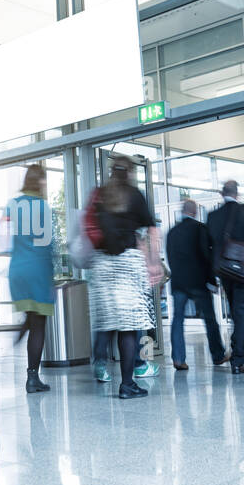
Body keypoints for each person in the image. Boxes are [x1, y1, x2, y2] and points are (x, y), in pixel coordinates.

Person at [87, 156, 162, 399]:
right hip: (128, 263)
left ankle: (100, 362)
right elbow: (151, 229)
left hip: (102, 266)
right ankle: (127, 384)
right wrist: (153, 260)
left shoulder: (100, 194)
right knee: (129, 330)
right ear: (129, 172)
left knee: (109, 324)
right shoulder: (134, 194)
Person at [1, 165, 55, 392]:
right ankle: (32, 378)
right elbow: (49, 244)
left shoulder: (12, 204)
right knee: (39, 325)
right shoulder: (44, 207)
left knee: (31, 315)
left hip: (17, 269)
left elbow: (3, 240)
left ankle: (23, 327)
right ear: (41, 182)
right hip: (38, 269)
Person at [206, 180, 244, 374]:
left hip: (225, 270)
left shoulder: (213, 215)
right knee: (241, 312)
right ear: (237, 193)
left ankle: (236, 347)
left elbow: (209, 243)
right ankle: (238, 360)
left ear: (221, 193)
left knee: (236, 311)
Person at [164, 199, 225, 371]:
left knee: (177, 320)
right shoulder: (200, 229)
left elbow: (170, 257)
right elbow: (207, 257)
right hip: (198, 282)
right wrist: (212, 282)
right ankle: (217, 355)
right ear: (195, 211)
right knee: (210, 319)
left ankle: (178, 358)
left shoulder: (172, 232)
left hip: (178, 283)